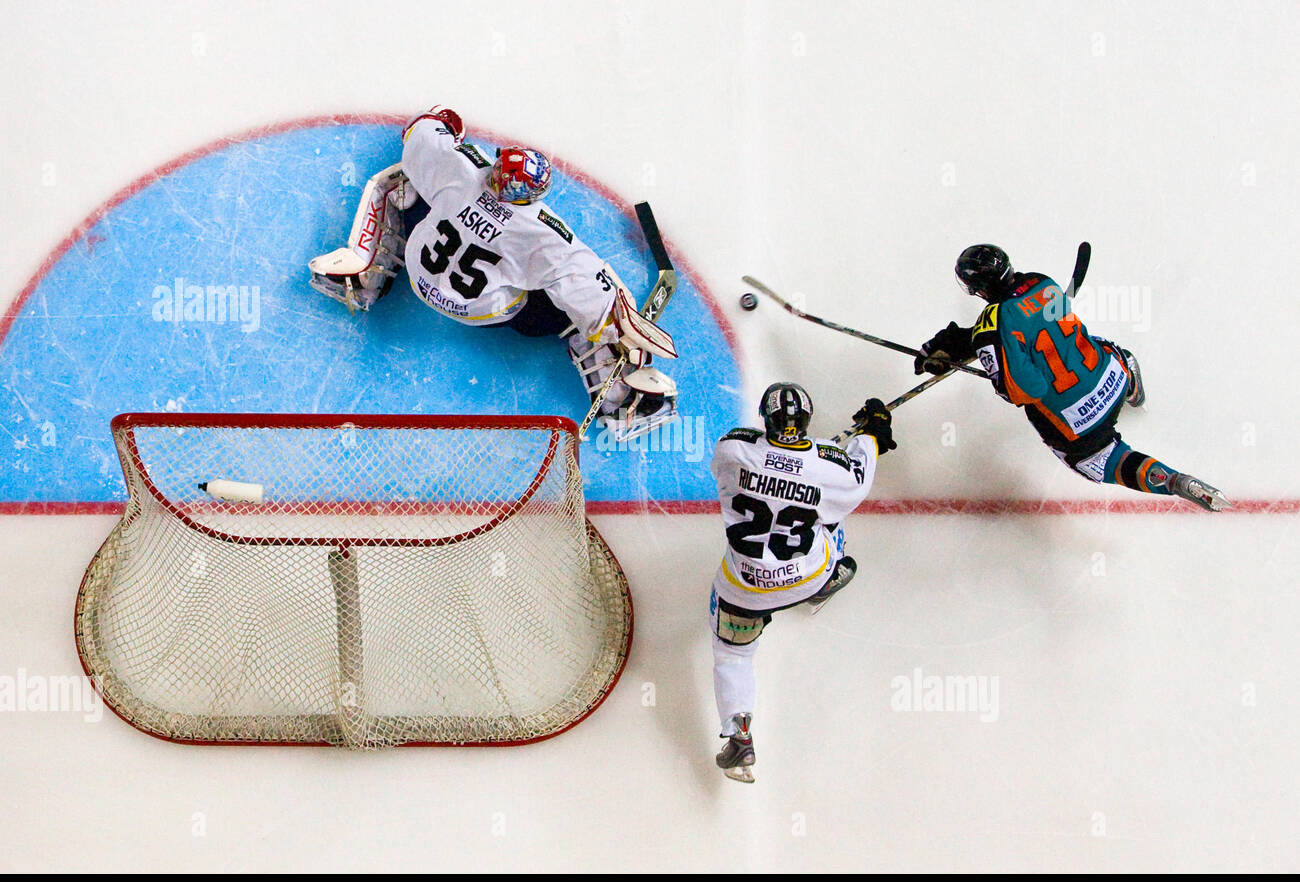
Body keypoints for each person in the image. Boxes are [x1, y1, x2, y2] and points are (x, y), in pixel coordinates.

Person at [308, 105, 678, 441]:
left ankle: (366, 270)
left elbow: (421, 131)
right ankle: (619, 398)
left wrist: (444, 123)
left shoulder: (462, 169)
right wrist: (616, 321)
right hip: (480, 311)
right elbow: (594, 295)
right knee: (581, 315)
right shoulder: (545, 237)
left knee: (401, 181)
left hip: (420, 275)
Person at [914, 244, 1230, 511]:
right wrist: (958, 343)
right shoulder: (1042, 282)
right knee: (1098, 346)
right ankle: (1131, 383)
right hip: (1110, 378)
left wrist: (991, 368)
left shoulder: (991, 325)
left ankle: (1170, 479)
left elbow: (1024, 389)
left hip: (1079, 423)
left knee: (1101, 462)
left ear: (976, 288)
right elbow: (1022, 322)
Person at [707, 382, 895, 782]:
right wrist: (870, 434)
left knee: (733, 655)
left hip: (745, 586)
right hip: (805, 577)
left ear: (765, 417)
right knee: (831, 514)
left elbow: (756, 460)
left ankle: (739, 735)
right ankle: (827, 584)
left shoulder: (731, 449)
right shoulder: (830, 468)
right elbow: (855, 481)